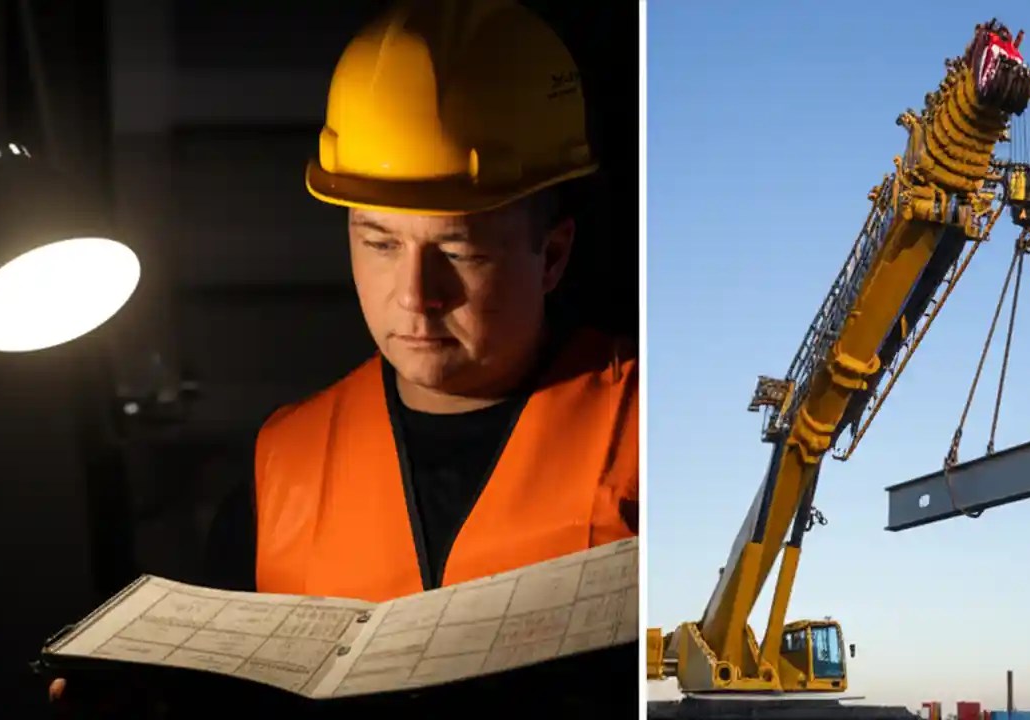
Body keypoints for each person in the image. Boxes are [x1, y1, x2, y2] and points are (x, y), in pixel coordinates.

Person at [47, 0, 637, 715]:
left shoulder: (654, 438)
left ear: (552, 254)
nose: (414, 295)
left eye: (458, 250)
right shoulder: (283, 470)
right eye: (380, 243)